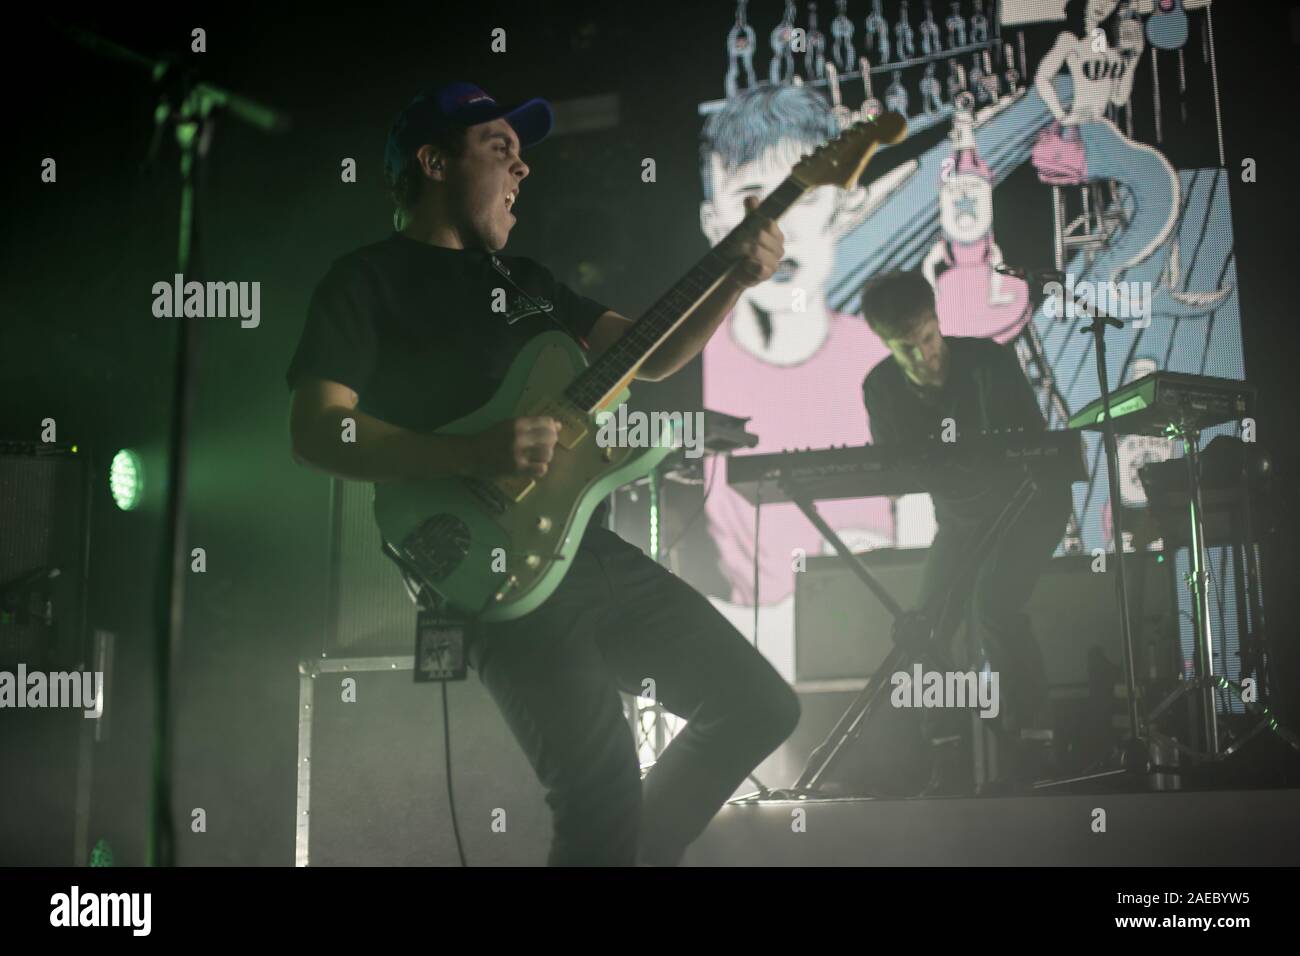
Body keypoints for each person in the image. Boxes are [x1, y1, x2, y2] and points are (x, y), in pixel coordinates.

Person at [286, 81, 799, 864]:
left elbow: (651, 354)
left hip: (588, 551)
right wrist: (471, 452)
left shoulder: (525, 279)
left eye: (523, 157)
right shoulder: (365, 281)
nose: (522, 171)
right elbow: (319, 431)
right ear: (432, 161)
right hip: (493, 566)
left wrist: (733, 275)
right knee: (599, 791)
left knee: (757, 705)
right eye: (500, 148)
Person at [859, 270, 1073, 791]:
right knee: (923, 629)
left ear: (938, 322)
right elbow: (897, 472)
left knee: (994, 605)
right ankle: (947, 749)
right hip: (962, 521)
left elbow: (1034, 452)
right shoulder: (880, 388)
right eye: (905, 349)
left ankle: (1035, 745)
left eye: (927, 339)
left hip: (1031, 507)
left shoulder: (987, 362)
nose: (922, 356)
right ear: (886, 345)